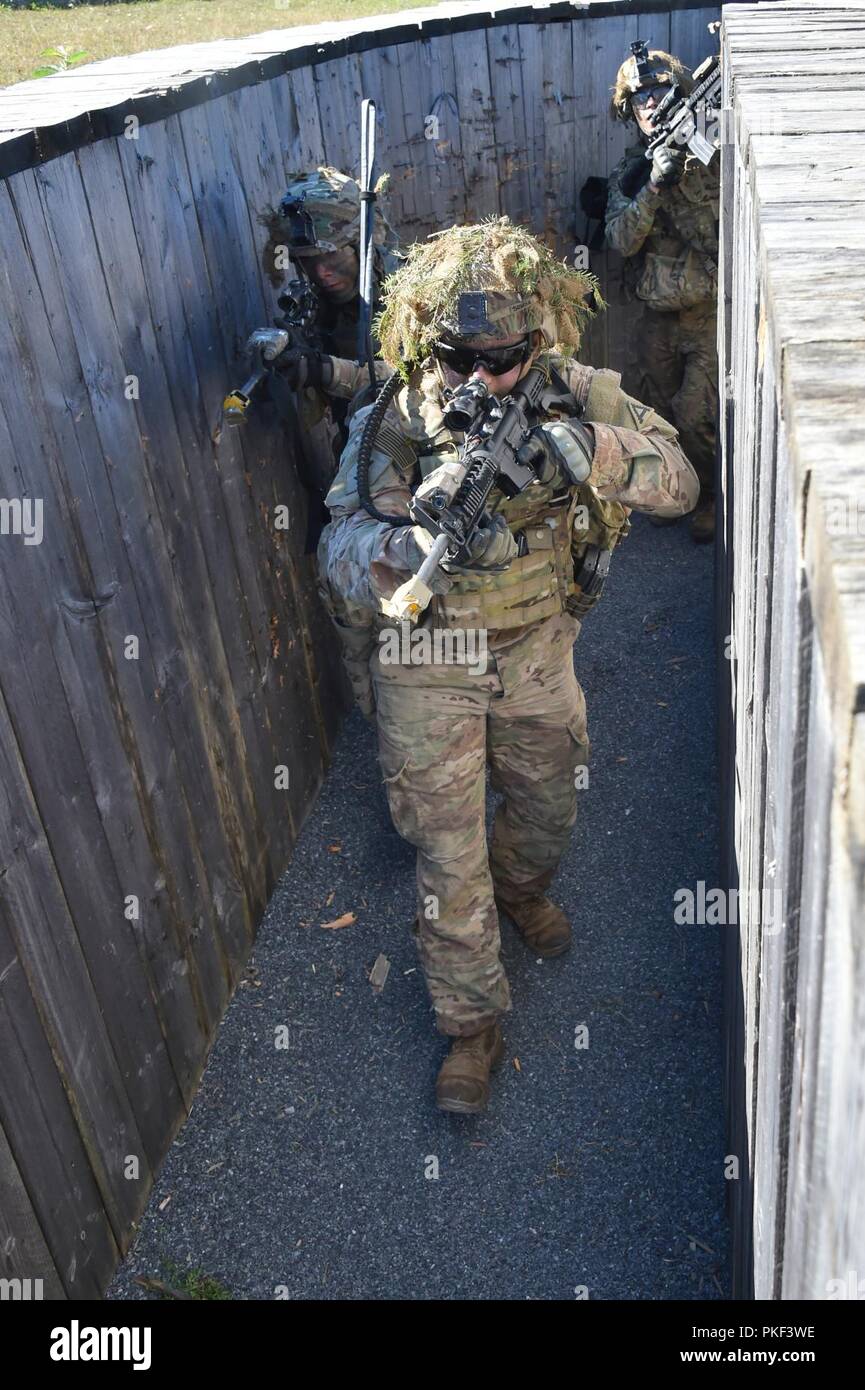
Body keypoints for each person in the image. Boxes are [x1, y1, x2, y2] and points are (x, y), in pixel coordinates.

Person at [316, 218, 699, 1114]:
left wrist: (598, 454)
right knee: (446, 857)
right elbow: (334, 548)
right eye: (458, 358)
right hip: (428, 656)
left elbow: (681, 484)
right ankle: (470, 1025)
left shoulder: (577, 390)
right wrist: (405, 542)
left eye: (504, 358)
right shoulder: (395, 418)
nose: (481, 378)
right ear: (427, 343)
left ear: (538, 340)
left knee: (547, 807)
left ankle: (520, 889)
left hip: (534, 650)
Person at [605, 45, 719, 543]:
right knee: (660, 415)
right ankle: (678, 491)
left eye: (658, 93)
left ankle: (712, 498)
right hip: (657, 317)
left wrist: (686, 177)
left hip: (705, 313)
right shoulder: (632, 171)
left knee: (699, 417)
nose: (649, 105)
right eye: (639, 100)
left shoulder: (708, 153)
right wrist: (652, 186)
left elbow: (716, 233)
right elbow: (620, 240)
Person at [248, 165, 403, 497]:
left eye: (332, 258)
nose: (322, 273)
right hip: (362, 462)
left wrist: (323, 369)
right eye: (307, 261)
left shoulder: (408, 297)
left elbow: (416, 382)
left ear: (362, 245)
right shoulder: (318, 305)